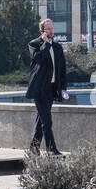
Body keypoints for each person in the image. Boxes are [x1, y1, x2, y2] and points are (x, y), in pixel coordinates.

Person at [25, 18, 67, 155]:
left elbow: (62, 69)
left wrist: (63, 87)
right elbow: (38, 59)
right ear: (42, 31)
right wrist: (45, 44)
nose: (51, 31)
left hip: (52, 88)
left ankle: (33, 149)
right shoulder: (34, 44)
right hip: (39, 88)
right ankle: (51, 149)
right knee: (47, 121)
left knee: (41, 119)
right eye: (48, 29)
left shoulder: (58, 47)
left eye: (52, 28)